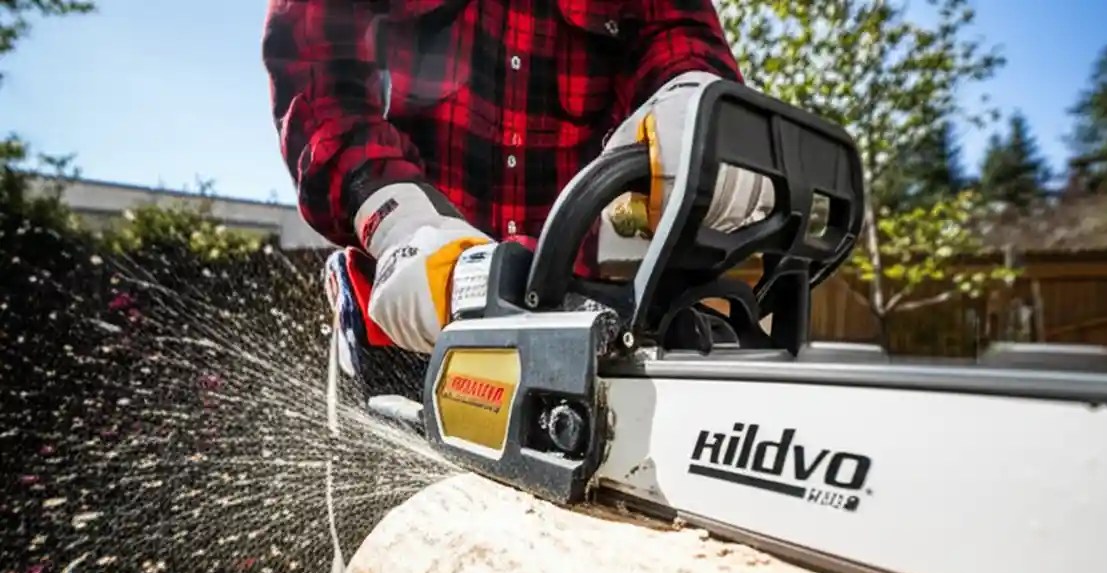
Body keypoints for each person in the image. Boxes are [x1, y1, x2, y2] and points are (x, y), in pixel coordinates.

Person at [262, 0, 767, 398]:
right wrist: (399, 220)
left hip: (569, 326)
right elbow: (319, 73)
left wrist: (694, 99)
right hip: (407, 316)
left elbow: (678, 35)